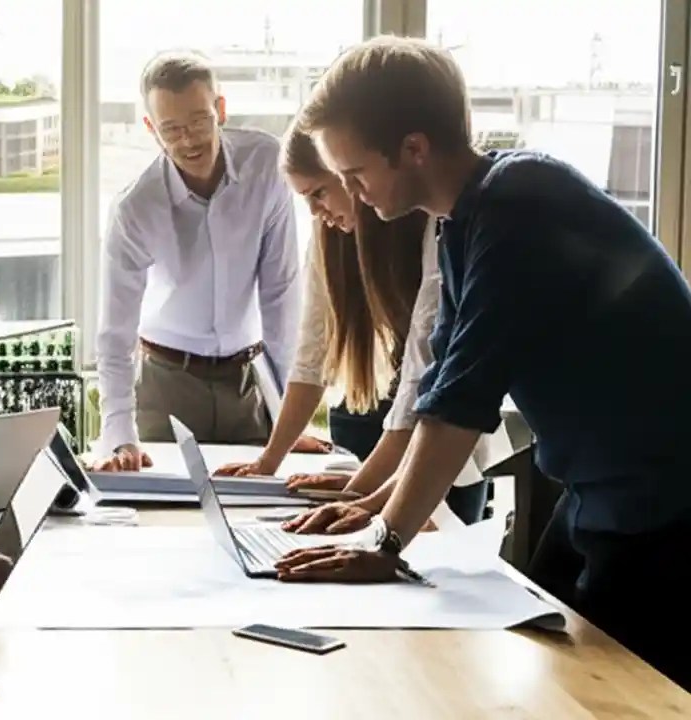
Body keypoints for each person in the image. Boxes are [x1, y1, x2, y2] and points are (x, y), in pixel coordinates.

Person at [271, 36, 691, 691]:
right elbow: (441, 374)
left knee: (617, 690)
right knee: (543, 656)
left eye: (354, 175)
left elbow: (464, 397)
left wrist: (384, 541)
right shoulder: (464, 220)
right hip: (597, 492)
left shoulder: (519, 201)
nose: (348, 195)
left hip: (662, 500)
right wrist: (376, 506)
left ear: (413, 148)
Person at [217, 125, 492, 525]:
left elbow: (421, 370)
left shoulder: (435, 225)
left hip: (444, 444)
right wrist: (268, 462)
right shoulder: (329, 237)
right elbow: (311, 355)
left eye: (319, 192)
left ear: (347, 172)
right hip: (395, 430)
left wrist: (357, 493)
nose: (315, 212)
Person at [93, 49, 303, 472]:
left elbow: (281, 295)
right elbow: (115, 335)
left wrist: (290, 417)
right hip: (166, 383)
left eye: (198, 121)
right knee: (160, 517)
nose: (188, 140)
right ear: (152, 130)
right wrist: (120, 436)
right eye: (171, 129)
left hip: (246, 384)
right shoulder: (135, 208)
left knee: (262, 507)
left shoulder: (267, 164)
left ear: (220, 109)